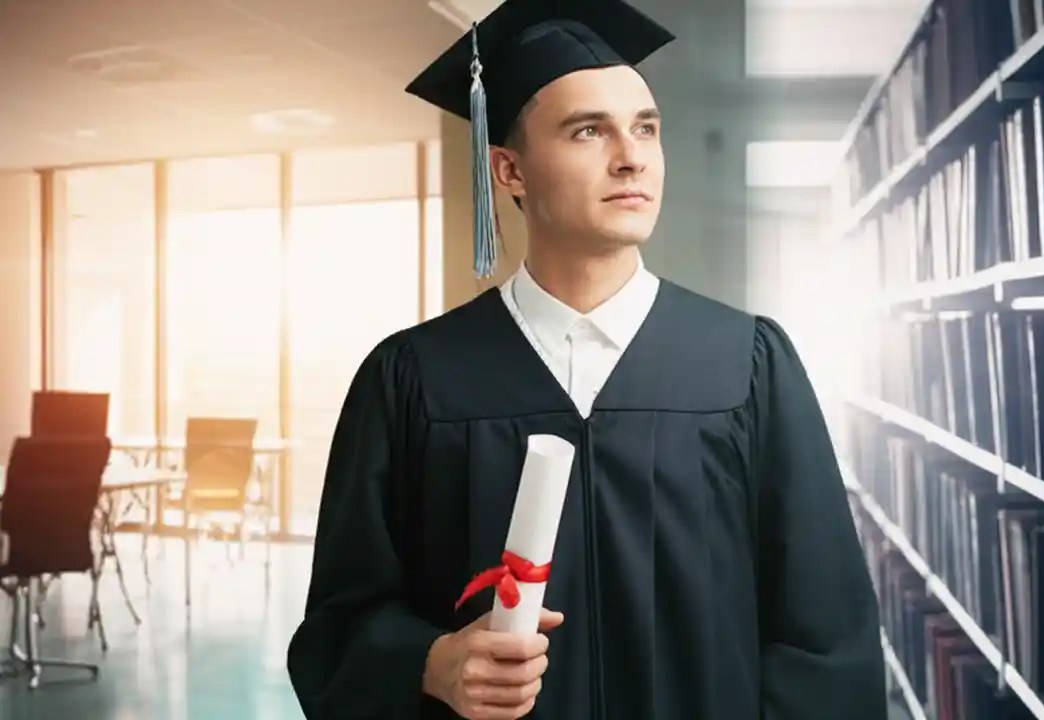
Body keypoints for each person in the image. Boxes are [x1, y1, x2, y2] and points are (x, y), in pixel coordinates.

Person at [285, 0, 886, 718]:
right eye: (588, 130)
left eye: (646, 128)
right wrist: (431, 663)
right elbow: (339, 627)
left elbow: (825, 637)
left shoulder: (746, 365)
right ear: (509, 170)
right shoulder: (414, 379)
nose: (631, 156)